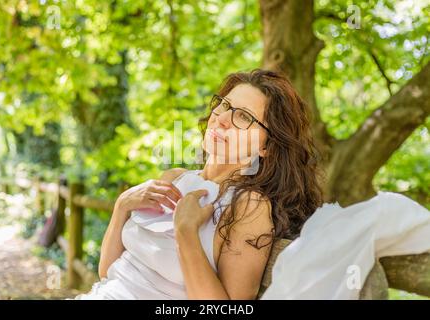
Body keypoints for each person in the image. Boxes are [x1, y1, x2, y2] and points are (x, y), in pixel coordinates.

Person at [72, 68, 324, 300]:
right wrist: (121, 206)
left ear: (266, 146)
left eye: (244, 117)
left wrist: (186, 233)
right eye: (224, 105)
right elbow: (108, 272)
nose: (222, 119)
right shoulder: (174, 178)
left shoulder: (248, 206)